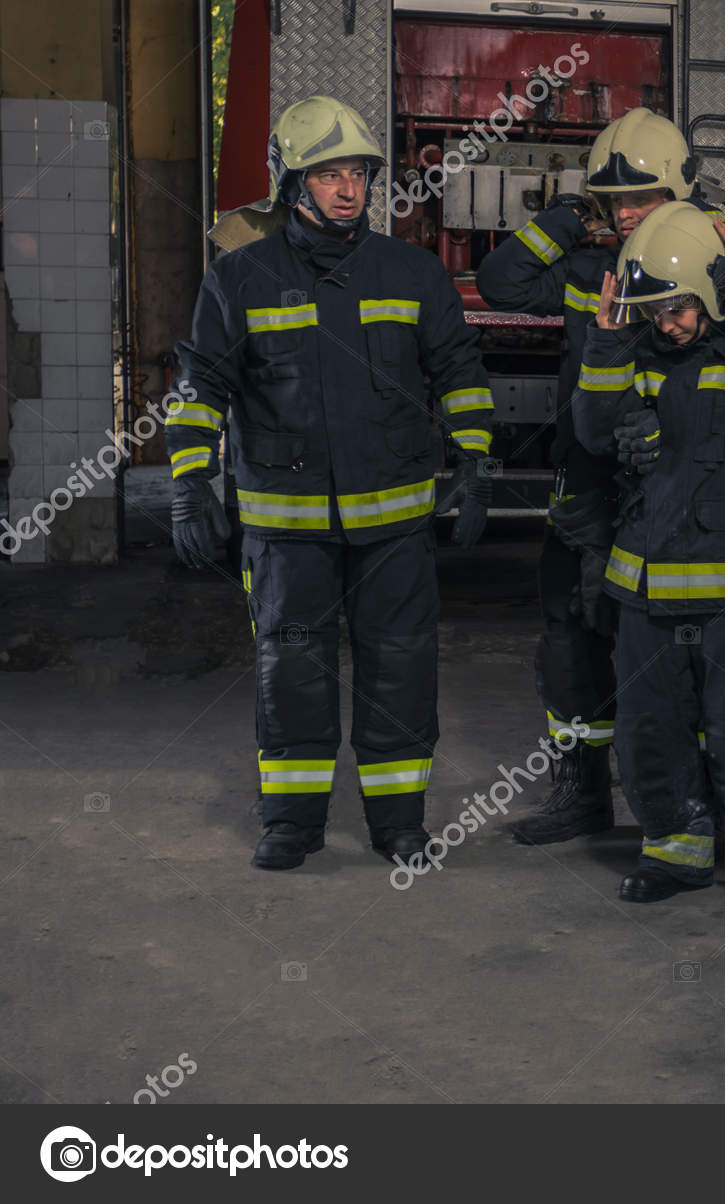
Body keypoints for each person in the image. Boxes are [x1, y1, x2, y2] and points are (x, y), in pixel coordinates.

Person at [170, 96, 495, 870]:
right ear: (291, 184)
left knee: (401, 667)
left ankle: (399, 823)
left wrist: (476, 462)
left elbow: (458, 371)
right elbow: (201, 385)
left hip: (395, 526)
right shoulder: (240, 278)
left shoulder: (411, 273)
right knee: (292, 668)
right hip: (287, 528)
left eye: (359, 174)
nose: (350, 190)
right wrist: (189, 481)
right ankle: (292, 822)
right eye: (329, 175)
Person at [476, 108, 725, 846]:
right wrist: (569, 217)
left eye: (643, 198)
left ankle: (706, 810)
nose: (627, 214)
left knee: (681, 653)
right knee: (568, 641)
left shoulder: (720, 260)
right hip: (588, 487)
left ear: (680, 193)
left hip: (669, 496)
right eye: (613, 200)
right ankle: (583, 793)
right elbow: (500, 282)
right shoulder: (587, 271)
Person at [569, 201, 725, 913]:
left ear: (712, 297)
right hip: (648, 585)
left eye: (678, 307)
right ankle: (676, 846)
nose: (666, 324)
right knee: (651, 726)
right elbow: (593, 432)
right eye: (655, 311)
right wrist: (608, 345)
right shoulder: (641, 352)